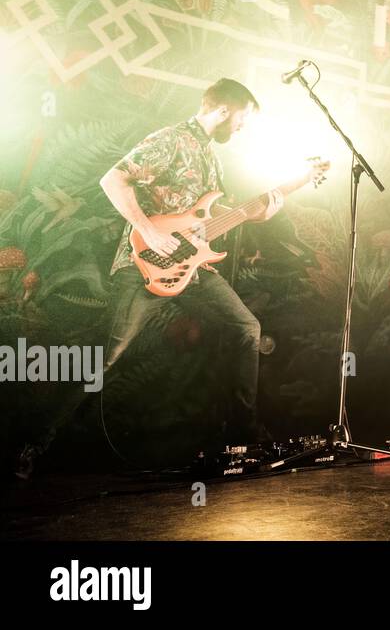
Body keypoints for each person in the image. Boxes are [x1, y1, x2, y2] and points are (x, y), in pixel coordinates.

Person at [14, 78, 281, 478]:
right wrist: (149, 230)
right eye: (241, 120)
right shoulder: (171, 140)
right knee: (108, 355)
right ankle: (32, 443)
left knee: (246, 326)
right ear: (223, 110)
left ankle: (242, 436)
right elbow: (112, 180)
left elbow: (205, 223)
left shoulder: (212, 157)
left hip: (192, 270)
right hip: (144, 267)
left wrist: (255, 212)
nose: (242, 129)